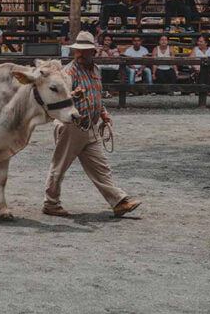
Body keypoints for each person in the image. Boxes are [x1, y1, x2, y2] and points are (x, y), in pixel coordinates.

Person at [42, 31, 141, 217]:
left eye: (84, 51)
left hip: (90, 126)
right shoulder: (68, 72)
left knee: (100, 166)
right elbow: (58, 99)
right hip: (72, 126)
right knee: (60, 165)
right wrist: (73, 95)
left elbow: (97, 95)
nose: (79, 54)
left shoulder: (96, 71)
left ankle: (118, 201)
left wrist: (103, 114)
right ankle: (50, 202)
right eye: (78, 51)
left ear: (92, 52)